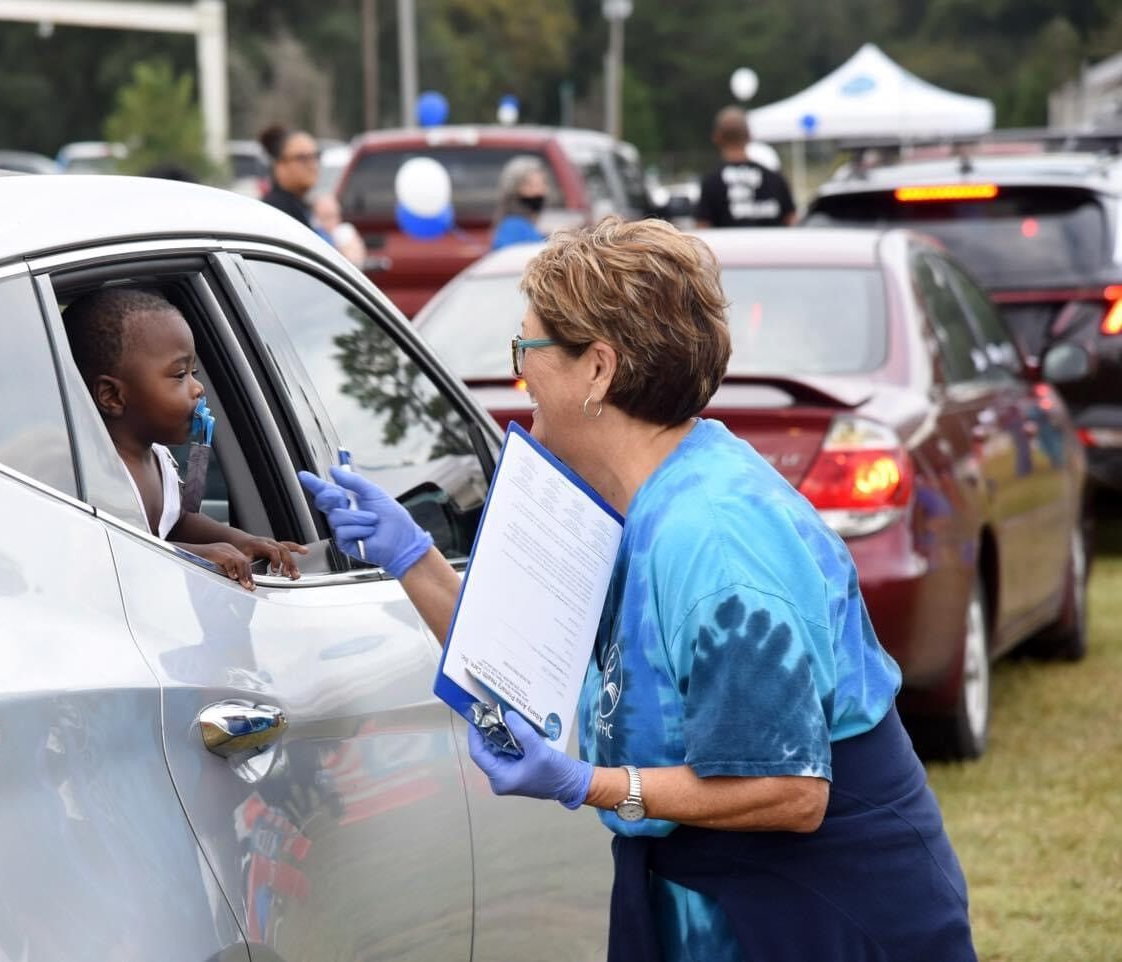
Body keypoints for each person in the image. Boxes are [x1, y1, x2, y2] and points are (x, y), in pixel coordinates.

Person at [296, 217, 977, 961]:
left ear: (598, 369)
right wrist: (412, 555)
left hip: (818, 908)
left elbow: (789, 791)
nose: (519, 374)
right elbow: (515, 658)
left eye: (528, 349)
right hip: (714, 891)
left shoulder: (716, 537)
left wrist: (591, 782)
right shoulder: (631, 495)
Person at [63, 287, 305, 590]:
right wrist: (195, 556)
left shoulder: (159, 459)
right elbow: (115, 553)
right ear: (112, 396)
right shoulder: (95, 473)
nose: (198, 388)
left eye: (195, 372)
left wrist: (241, 540)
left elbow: (176, 521)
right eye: (180, 375)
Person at [694, 106, 797, 228]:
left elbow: (702, 231)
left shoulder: (710, 183)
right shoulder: (775, 179)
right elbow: (792, 222)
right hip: (773, 247)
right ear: (749, 135)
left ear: (717, 137)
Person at [258, 124, 320, 227]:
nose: (313, 165)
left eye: (315, 156)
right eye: (303, 158)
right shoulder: (276, 213)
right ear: (280, 165)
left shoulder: (301, 207)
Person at [491, 155, 549, 250]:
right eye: (533, 185)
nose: (542, 190)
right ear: (514, 189)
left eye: (543, 184)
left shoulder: (530, 223)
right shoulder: (513, 226)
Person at [311, 193, 366, 267]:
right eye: (326, 217)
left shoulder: (345, 233)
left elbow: (355, 262)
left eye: (335, 216)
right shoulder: (314, 235)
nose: (332, 221)